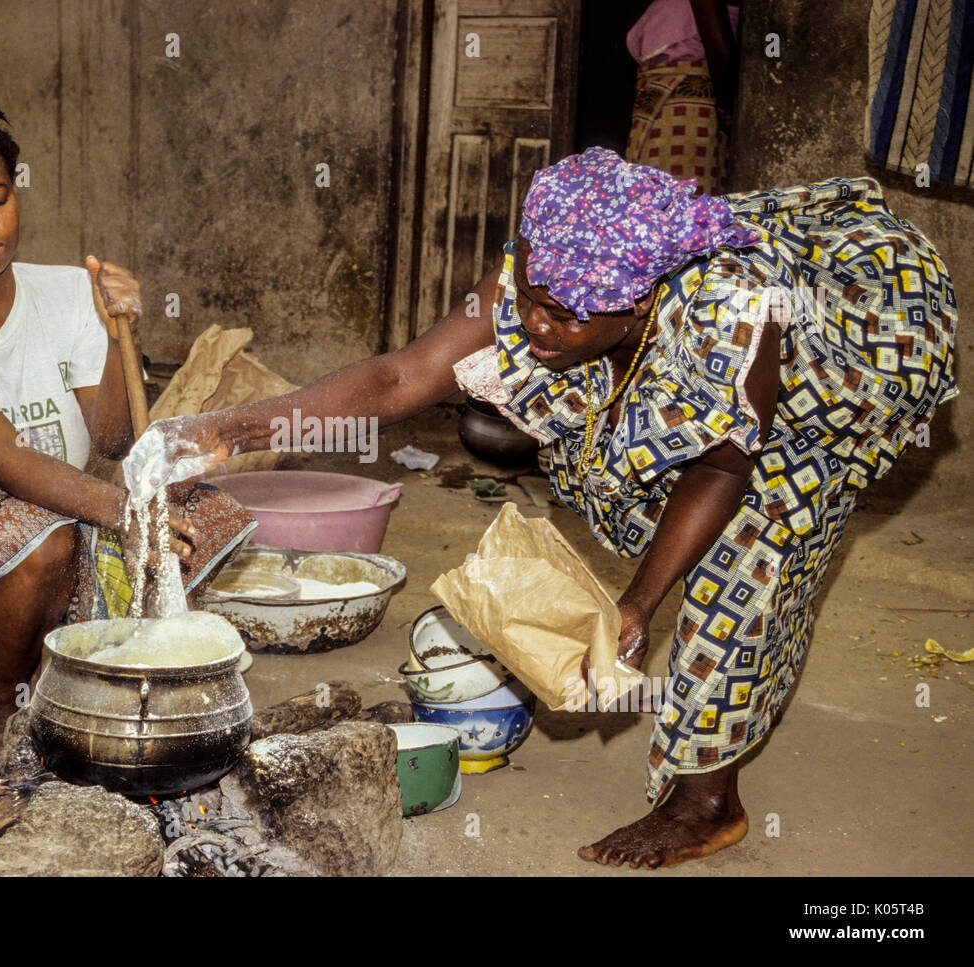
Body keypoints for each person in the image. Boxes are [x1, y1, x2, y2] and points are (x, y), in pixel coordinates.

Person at [161, 147, 957, 868]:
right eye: (534, 297)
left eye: (569, 316)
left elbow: (722, 466)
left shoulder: (733, 314)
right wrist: (242, 424)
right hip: (680, 370)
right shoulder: (546, 266)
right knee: (578, 418)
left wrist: (640, 601)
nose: (538, 325)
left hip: (820, 389)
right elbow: (402, 378)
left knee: (747, 550)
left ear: (640, 305)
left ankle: (708, 802)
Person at [0, 107, 249, 779]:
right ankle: (1, 715)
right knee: (35, 532)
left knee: (210, 513)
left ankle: (112, 695)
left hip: (66, 527)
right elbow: (1, 460)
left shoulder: (68, 291)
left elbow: (114, 437)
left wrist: (117, 332)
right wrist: (126, 512)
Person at [625, 0, 741, 191]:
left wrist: (729, 105)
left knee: (677, 201)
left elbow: (720, 50)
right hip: (669, 100)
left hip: (693, 109)